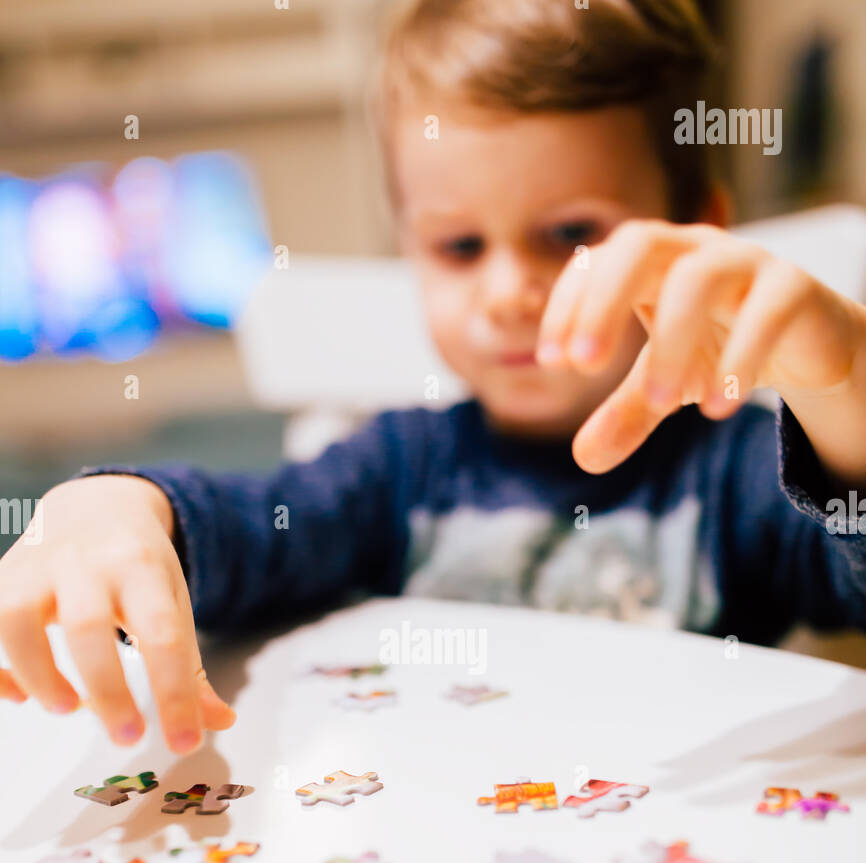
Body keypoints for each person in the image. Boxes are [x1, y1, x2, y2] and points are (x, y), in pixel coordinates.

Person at [1, 0, 865, 756]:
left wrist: (845, 388)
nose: (506, 294)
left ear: (696, 229)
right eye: (459, 247)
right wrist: (118, 506)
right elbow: (247, 538)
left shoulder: (742, 472)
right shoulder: (397, 468)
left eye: (569, 234)